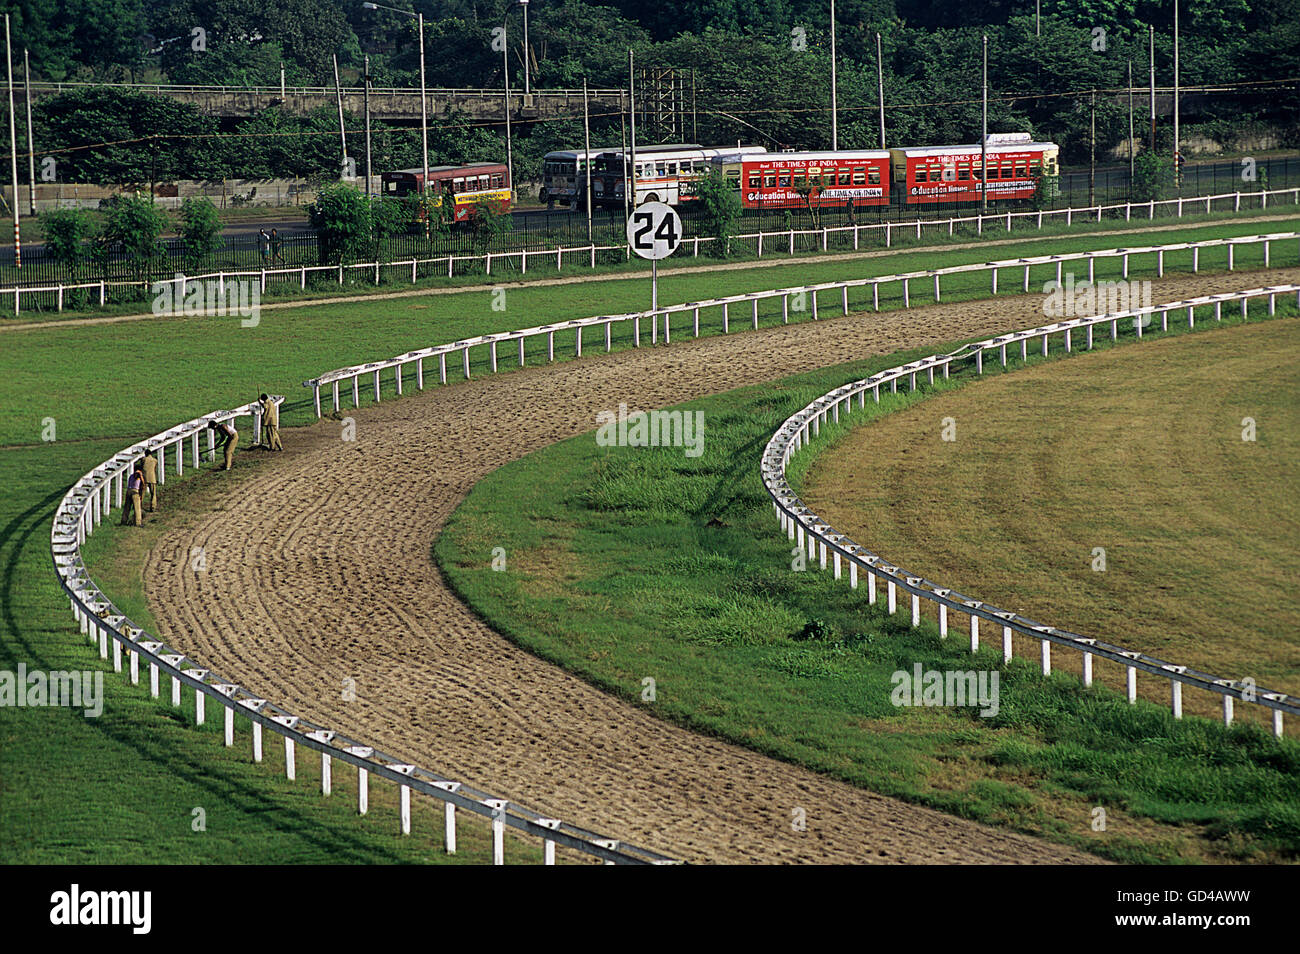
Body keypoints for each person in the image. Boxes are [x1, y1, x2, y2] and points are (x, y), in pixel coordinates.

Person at [121, 462, 145, 526]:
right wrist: (141, 475)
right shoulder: (138, 475)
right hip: (135, 491)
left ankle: (124, 520)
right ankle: (138, 522)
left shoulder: (131, 476)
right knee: (137, 507)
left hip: (128, 490)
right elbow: (142, 483)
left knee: (127, 507)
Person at [142, 448, 159, 512]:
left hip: (144, 478)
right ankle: (153, 507)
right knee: (153, 494)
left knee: (142, 493)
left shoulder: (144, 459)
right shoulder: (155, 460)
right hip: (152, 478)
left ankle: (139, 506)